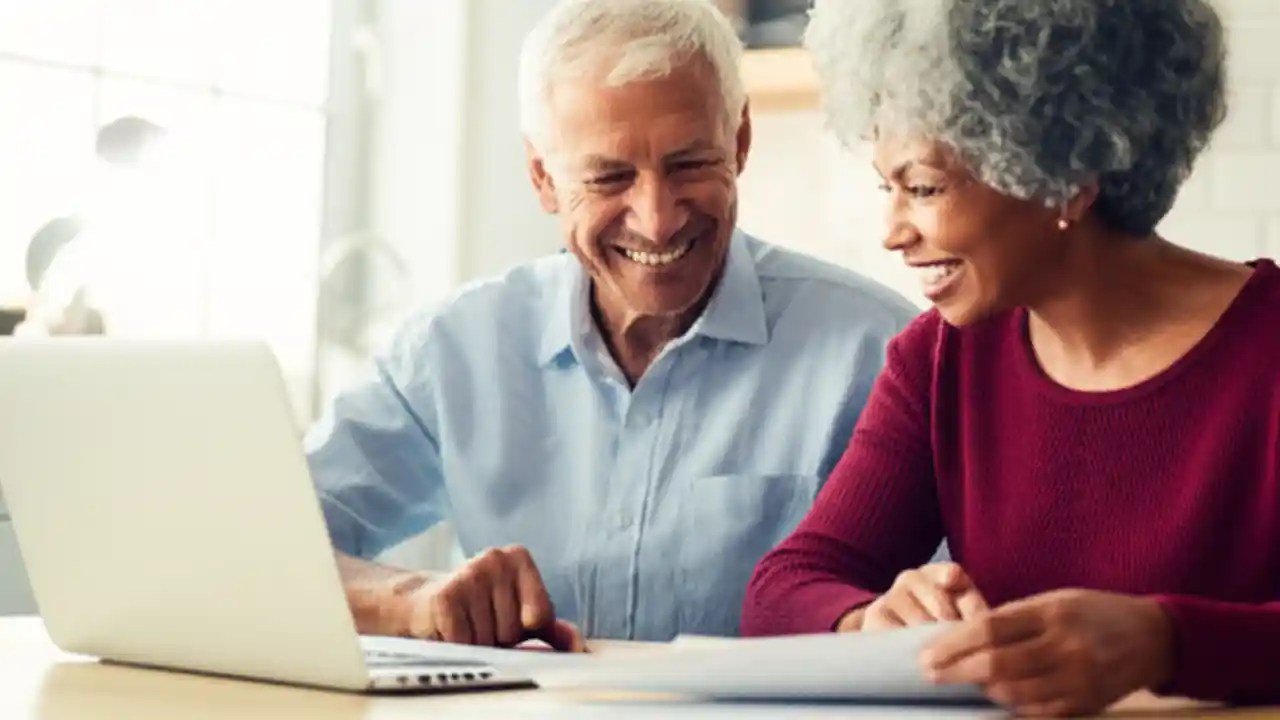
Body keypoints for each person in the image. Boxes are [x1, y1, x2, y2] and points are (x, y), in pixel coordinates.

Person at [307, 0, 916, 650]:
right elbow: (266, 543)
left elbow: (946, 614)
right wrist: (411, 602)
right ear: (543, 177)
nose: (656, 219)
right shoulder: (454, 350)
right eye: (609, 177)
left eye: (688, 165)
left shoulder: (878, 355)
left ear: (739, 142)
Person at [742, 0, 1280, 714]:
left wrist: (1168, 641)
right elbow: (784, 588)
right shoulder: (938, 361)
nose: (893, 232)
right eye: (888, 187)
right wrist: (867, 622)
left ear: (1065, 174)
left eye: (924, 188)